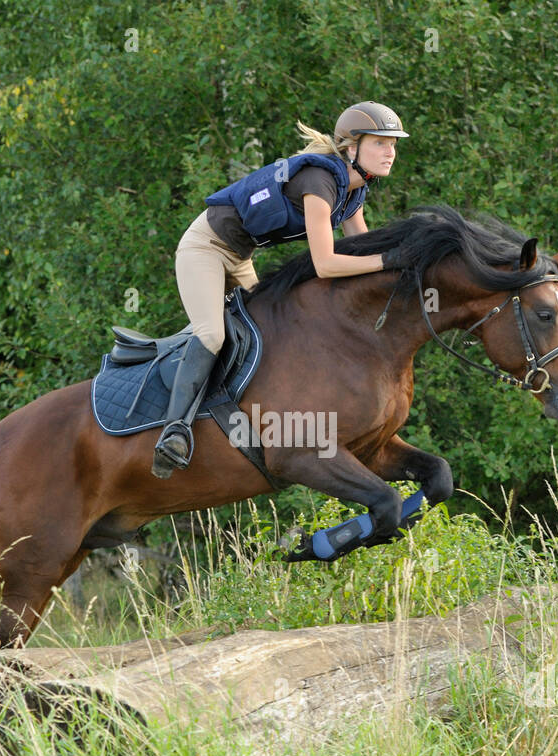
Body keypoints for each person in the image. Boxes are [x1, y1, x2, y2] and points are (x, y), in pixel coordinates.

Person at [151, 101, 410, 478]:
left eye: (394, 144)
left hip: (241, 257)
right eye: (380, 143)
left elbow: (362, 249)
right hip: (205, 248)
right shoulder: (320, 182)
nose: (390, 152)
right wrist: (390, 262)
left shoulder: (354, 190)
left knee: (271, 336)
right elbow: (327, 264)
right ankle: (174, 431)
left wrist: (398, 275)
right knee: (211, 334)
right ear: (350, 147)